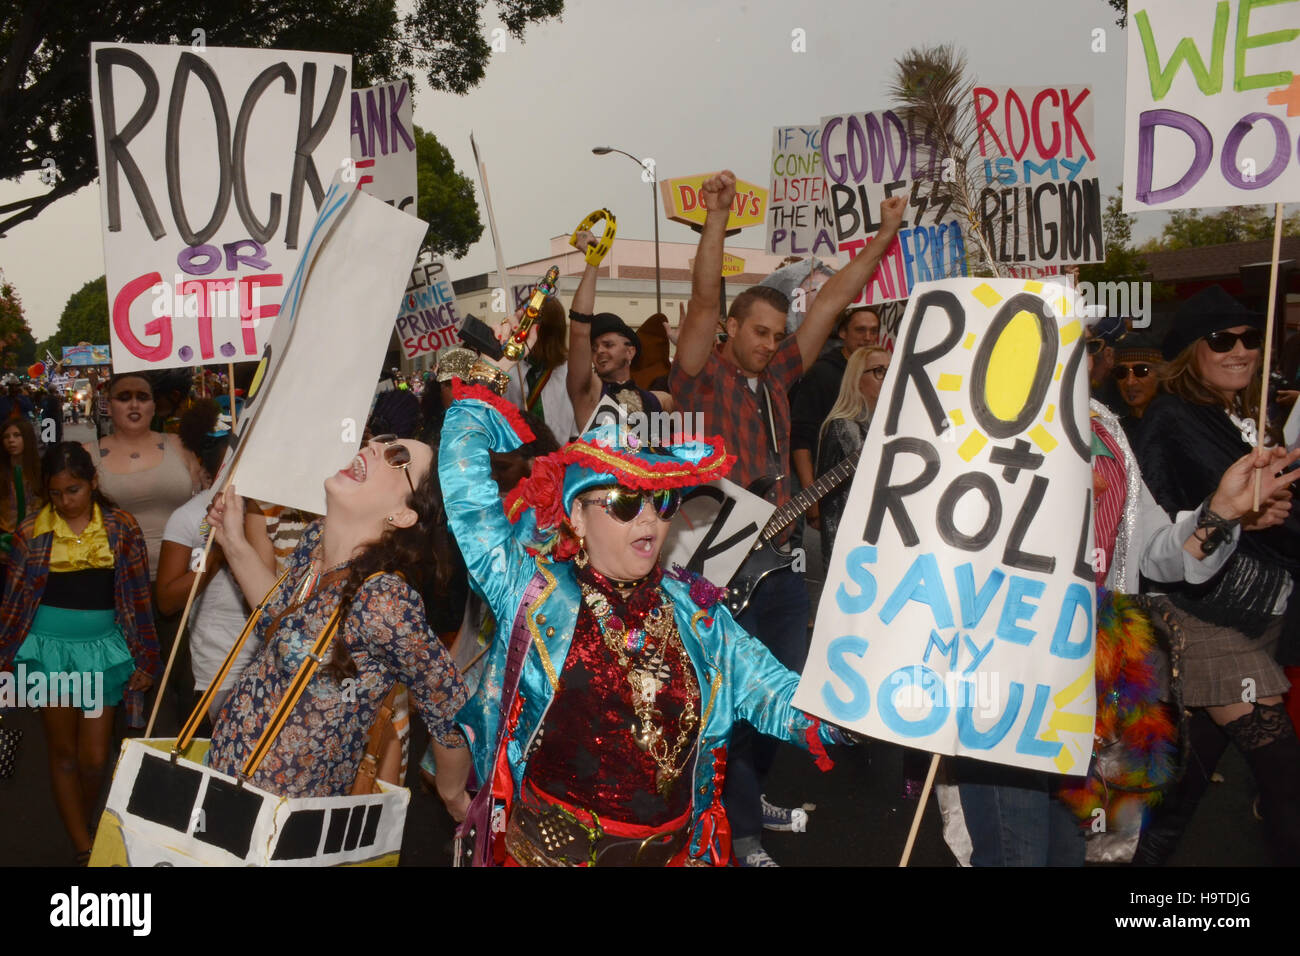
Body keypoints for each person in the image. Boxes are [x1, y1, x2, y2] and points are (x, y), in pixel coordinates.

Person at [437, 340, 844, 866]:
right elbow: (469, 498)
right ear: (577, 517)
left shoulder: (695, 612)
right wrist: (481, 383)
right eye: (626, 502)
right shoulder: (533, 592)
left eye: (663, 500)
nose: (649, 519)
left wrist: (853, 713)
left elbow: (776, 695)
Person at [942, 306, 1300, 866]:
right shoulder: (975, 430)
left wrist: (1222, 512)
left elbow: (1159, 553)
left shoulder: (1105, 427)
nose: (1071, 358)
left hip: (1087, 675)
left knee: (1065, 850)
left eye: (1082, 345)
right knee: (1019, 851)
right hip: (1005, 673)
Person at [667, 170, 903, 866]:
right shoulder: (696, 373)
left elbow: (831, 299)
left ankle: (744, 798)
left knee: (786, 690)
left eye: (777, 335)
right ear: (732, 330)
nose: (770, 344)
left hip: (774, 557)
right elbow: (704, 297)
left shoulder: (776, 381)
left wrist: (884, 235)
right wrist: (716, 218)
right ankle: (734, 831)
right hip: (711, 555)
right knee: (728, 696)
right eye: (759, 333)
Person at [203, 432, 468, 802]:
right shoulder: (314, 541)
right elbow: (279, 620)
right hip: (225, 773)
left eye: (398, 457)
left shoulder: (384, 600)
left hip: (283, 818)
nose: (375, 446)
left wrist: (453, 795)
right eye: (382, 440)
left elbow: (449, 705)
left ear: (404, 513)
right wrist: (233, 543)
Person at [1132, 285, 1300, 865]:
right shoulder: (1171, 415)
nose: (1239, 350)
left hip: (1255, 609)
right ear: (1188, 352)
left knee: (1188, 781)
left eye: (1250, 338)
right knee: (1284, 775)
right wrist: (1237, 516)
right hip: (1202, 616)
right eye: (1220, 340)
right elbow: (1155, 515)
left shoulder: (1253, 416)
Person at [0, 442, 159, 864]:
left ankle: (87, 817)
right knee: (64, 755)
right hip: (47, 653)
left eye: (73, 490)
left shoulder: (121, 527)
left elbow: (138, 597)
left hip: (102, 653)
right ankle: (82, 844)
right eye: (55, 493)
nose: (65, 501)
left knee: (93, 758)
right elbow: (13, 603)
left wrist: (146, 657)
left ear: (92, 482)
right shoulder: (31, 531)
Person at [82, 373, 202, 578]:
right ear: (108, 407)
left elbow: (206, 510)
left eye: (142, 397)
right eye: (124, 397)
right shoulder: (86, 455)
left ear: (153, 406)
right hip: (114, 581)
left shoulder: (180, 445)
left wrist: (203, 565)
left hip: (184, 580)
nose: (134, 404)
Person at [568, 227, 673, 427]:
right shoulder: (589, 393)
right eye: (594, 347)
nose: (599, 351)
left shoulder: (657, 400)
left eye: (608, 344)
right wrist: (593, 263)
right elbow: (579, 329)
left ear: (630, 351)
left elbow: (694, 403)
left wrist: (686, 349)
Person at [792, 310, 882, 529]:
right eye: (860, 330)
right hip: (830, 495)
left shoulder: (885, 370)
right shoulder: (822, 373)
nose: (868, 337)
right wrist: (811, 499)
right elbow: (800, 437)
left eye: (874, 331)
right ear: (843, 332)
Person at [814, 346, 890, 563]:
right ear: (857, 379)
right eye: (879, 371)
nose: (886, 377)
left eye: (891, 370)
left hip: (879, 535)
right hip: (851, 544)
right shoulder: (844, 426)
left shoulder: (888, 423)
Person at [505, 296, 576, 442]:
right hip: (518, 457)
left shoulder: (571, 372)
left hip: (562, 457)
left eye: (527, 325)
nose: (520, 330)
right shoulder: (509, 369)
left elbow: (577, 428)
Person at [1111, 332, 1163, 444]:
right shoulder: (1113, 430)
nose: (1130, 382)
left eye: (1141, 371)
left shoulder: (1177, 426)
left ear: (1161, 373)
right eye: (1121, 372)